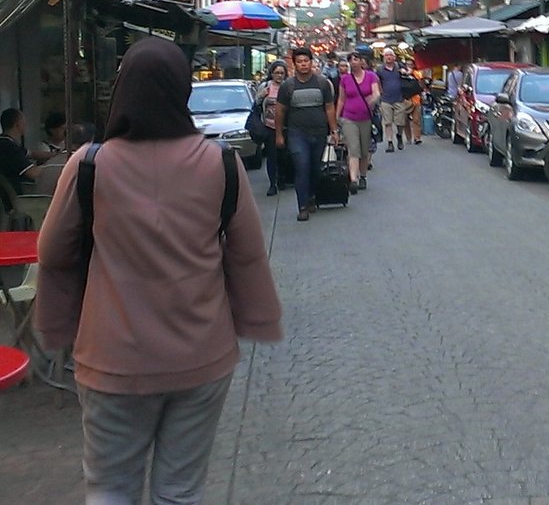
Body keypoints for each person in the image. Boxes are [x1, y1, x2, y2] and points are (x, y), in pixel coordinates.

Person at [35, 36, 282, 505]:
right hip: (202, 355)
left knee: (110, 488)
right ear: (182, 91)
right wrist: (258, 320)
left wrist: (57, 324)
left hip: (111, 357)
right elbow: (247, 254)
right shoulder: (221, 163)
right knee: (179, 491)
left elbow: (52, 254)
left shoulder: (88, 165)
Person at [275, 47, 339, 222]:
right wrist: (279, 134)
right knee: (301, 166)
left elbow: (329, 107)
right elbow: (280, 111)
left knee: (315, 168)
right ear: (294, 65)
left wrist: (334, 130)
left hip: (318, 133)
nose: (303, 64)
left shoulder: (322, 83)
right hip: (297, 134)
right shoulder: (288, 86)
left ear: (311, 62)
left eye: (306, 61)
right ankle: (302, 205)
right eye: (299, 62)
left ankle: (311, 196)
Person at [336, 50, 381, 193]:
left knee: (363, 150)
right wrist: (337, 117)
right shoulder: (345, 79)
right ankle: (353, 179)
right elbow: (341, 99)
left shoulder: (371, 76)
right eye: (351, 59)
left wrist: (372, 100)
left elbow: (377, 93)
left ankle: (363, 176)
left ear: (362, 61)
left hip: (365, 118)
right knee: (353, 148)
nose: (353, 62)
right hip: (349, 117)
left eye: (356, 59)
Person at [258, 60, 289, 197]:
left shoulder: (288, 86)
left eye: (282, 73)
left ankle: (282, 178)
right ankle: (272, 183)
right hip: (269, 126)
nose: (279, 76)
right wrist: (262, 95)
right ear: (272, 74)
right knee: (271, 156)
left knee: (283, 155)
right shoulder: (265, 86)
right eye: (277, 73)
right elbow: (257, 103)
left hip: (286, 126)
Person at [0, 107, 44, 191]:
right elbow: (33, 173)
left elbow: (31, 154)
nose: (26, 126)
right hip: (13, 197)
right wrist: (52, 166)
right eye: (24, 123)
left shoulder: (7, 142)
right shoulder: (9, 147)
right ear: (17, 125)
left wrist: (55, 155)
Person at [377, 47, 405, 153]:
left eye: (390, 55)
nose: (388, 57)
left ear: (394, 57)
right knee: (388, 122)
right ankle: (390, 143)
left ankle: (399, 135)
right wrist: (380, 92)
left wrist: (405, 71)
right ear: (384, 58)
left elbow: (410, 71)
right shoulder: (380, 69)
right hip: (386, 99)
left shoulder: (399, 66)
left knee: (400, 122)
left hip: (399, 98)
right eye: (386, 55)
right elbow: (377, 81)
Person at [398, 62, 425, 146]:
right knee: (405, 120)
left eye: (411, 64)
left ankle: (417, 138)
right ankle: (408, 138)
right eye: (407, 64)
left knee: (416, 120)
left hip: (416, 100)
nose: (409, 66)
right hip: (404, 100)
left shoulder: (417, 74)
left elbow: (421, 85)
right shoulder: (400, 74)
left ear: (414, 65)